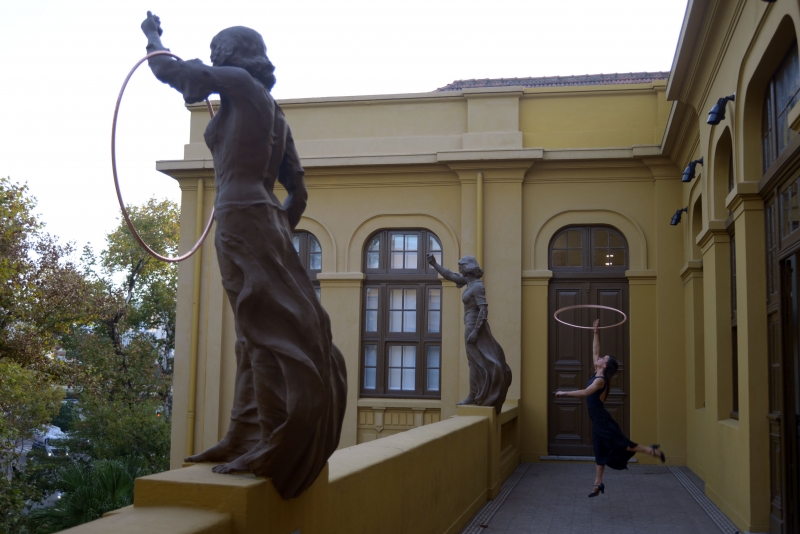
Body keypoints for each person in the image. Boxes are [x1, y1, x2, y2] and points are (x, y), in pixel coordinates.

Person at [140, 12, 347, 499]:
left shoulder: (238, 82)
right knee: (252, 332)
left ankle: (275, 438)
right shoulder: (273, 111)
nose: (214, 58)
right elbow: (298, 193)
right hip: (260, 217)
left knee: (265, 331)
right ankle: (245, 431)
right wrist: (275, 229)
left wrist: (152, 38)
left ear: (234, 54)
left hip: (241, 216)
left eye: (219, 50)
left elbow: (180, 76)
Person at [555, 319, 665, 497]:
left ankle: (650, 450)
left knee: (620, 444)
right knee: (599, 452)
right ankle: (598, 484)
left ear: (605, 365)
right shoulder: (596, 373)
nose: (599, 357)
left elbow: (585, 392)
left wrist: (564, 393)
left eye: (603, 359)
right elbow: (595, 350)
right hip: (597, 422)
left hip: (603, 422)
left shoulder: (600, 381)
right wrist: (595, 331)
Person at [426, 254, 511, 414]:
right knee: (474, 361)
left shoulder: (477, 286)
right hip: (470, 324)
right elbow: (450, 275)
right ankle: (475, 394)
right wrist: (435, 265)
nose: (459, 269)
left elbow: (483, 309)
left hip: (473, 326)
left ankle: (474, 395)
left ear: (468, 268)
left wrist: (475, 332)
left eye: (461, 266)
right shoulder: (468, 282)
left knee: (475, 362)